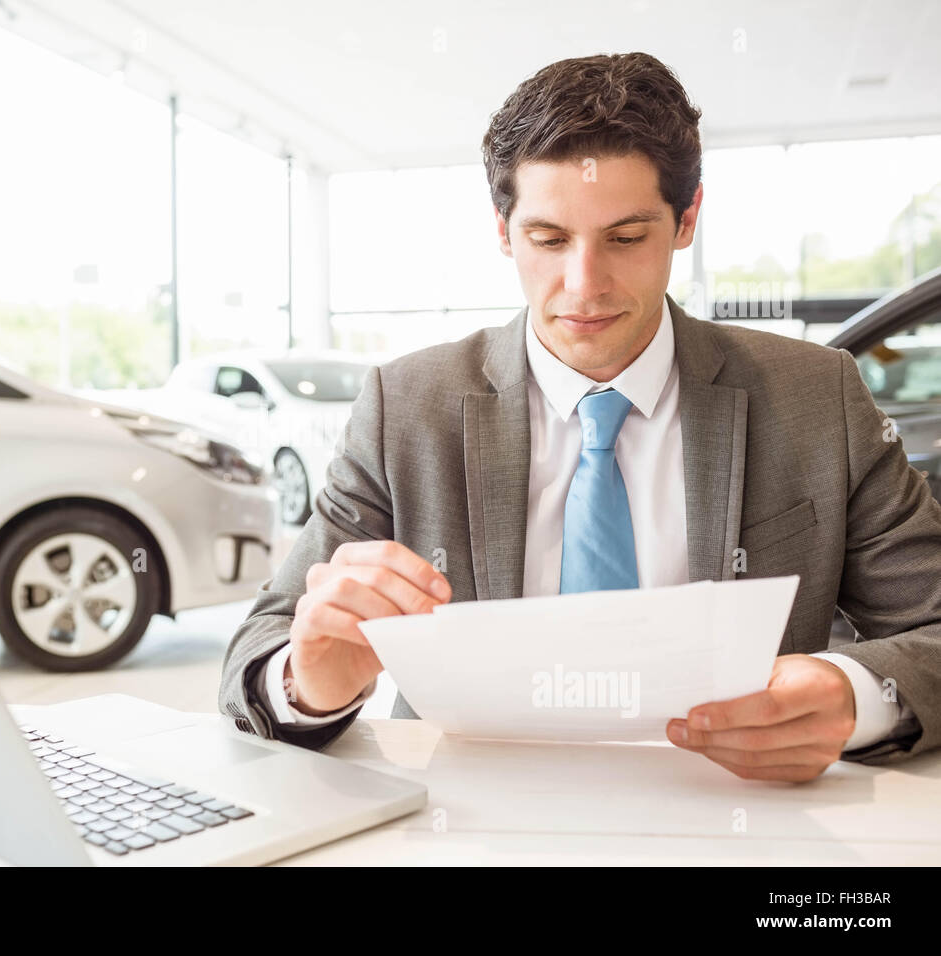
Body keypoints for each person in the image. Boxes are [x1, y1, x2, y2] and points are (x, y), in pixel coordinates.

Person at [217, 51, 940, 781]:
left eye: (626, 238)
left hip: (738, 816)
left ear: (686, 219)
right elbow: (260, 651)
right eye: (549, 239)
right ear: (503, 230)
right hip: (465, 823)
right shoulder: (405, 408)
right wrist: (308, 682)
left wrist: (852, 695)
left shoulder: (818, 396)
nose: (584, 285)